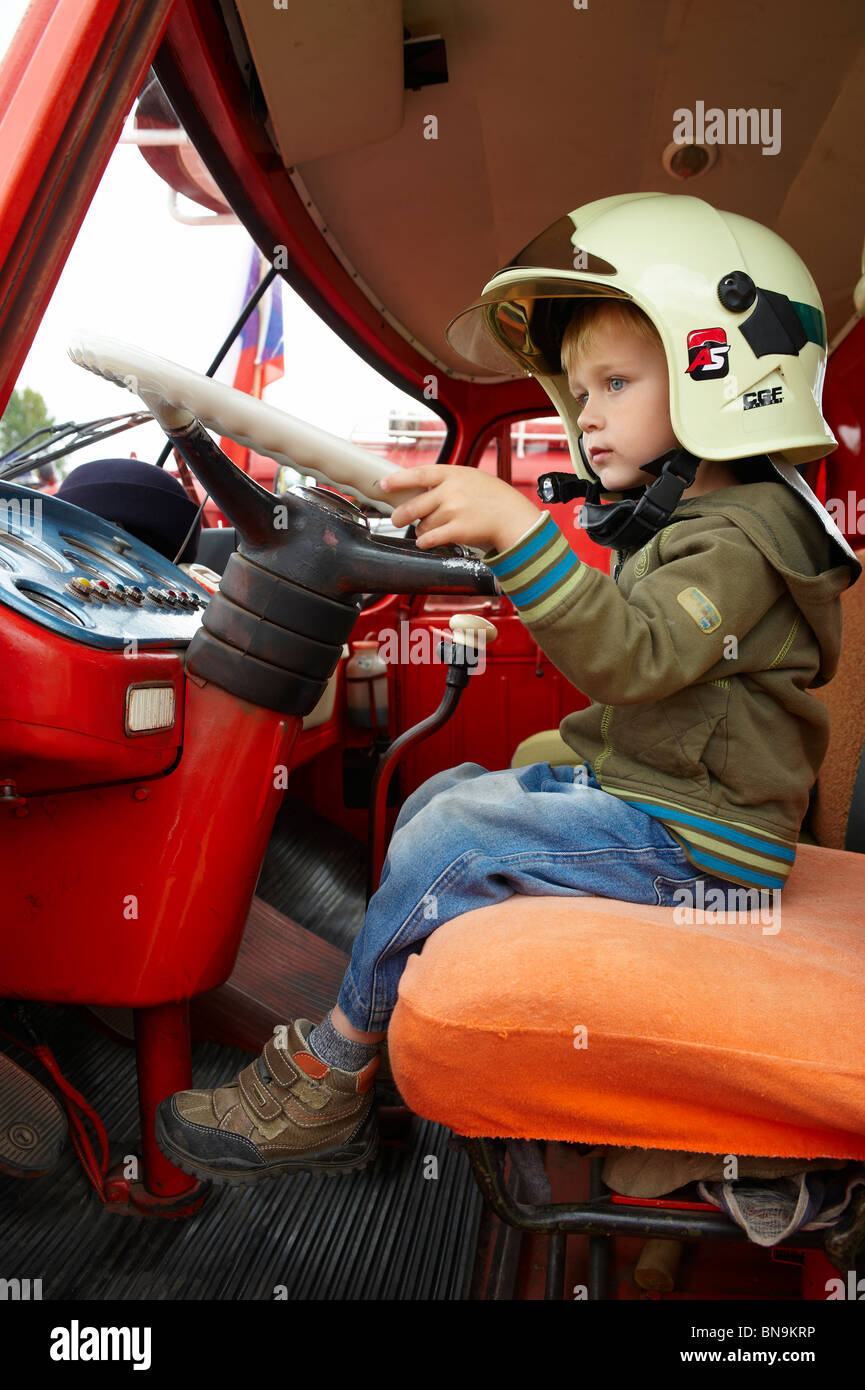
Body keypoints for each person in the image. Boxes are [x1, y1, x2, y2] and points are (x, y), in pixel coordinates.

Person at [155, 192, 861, 1184]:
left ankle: (330, 1072)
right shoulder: (694, 527)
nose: (588, 414)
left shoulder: (742, 539)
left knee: (453, 838)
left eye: (614, 382)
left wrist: (522, 533)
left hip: (710, 850)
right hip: (666, 808)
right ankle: (387, 1029)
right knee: (446, 795)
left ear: (723, 373)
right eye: (579, 391)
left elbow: (633, 660)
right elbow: (645, 694)